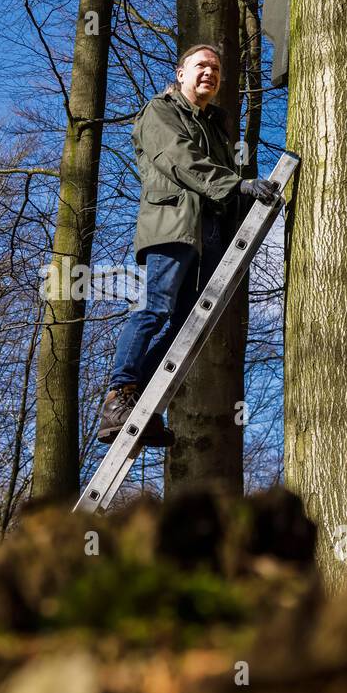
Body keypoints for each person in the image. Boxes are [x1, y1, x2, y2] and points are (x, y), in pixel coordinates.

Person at [97, 43, 277, 447]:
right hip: (173, 226)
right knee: (155, 308)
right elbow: (179, 159)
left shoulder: (216, 125)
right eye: (201, 66)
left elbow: (221, 182)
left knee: (186, 329)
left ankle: (142, 403)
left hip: (210, 236)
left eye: (215, 68)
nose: (209, 73)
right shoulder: (159, 111)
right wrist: (238, 185)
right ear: (181, 74)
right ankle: (117, 395)